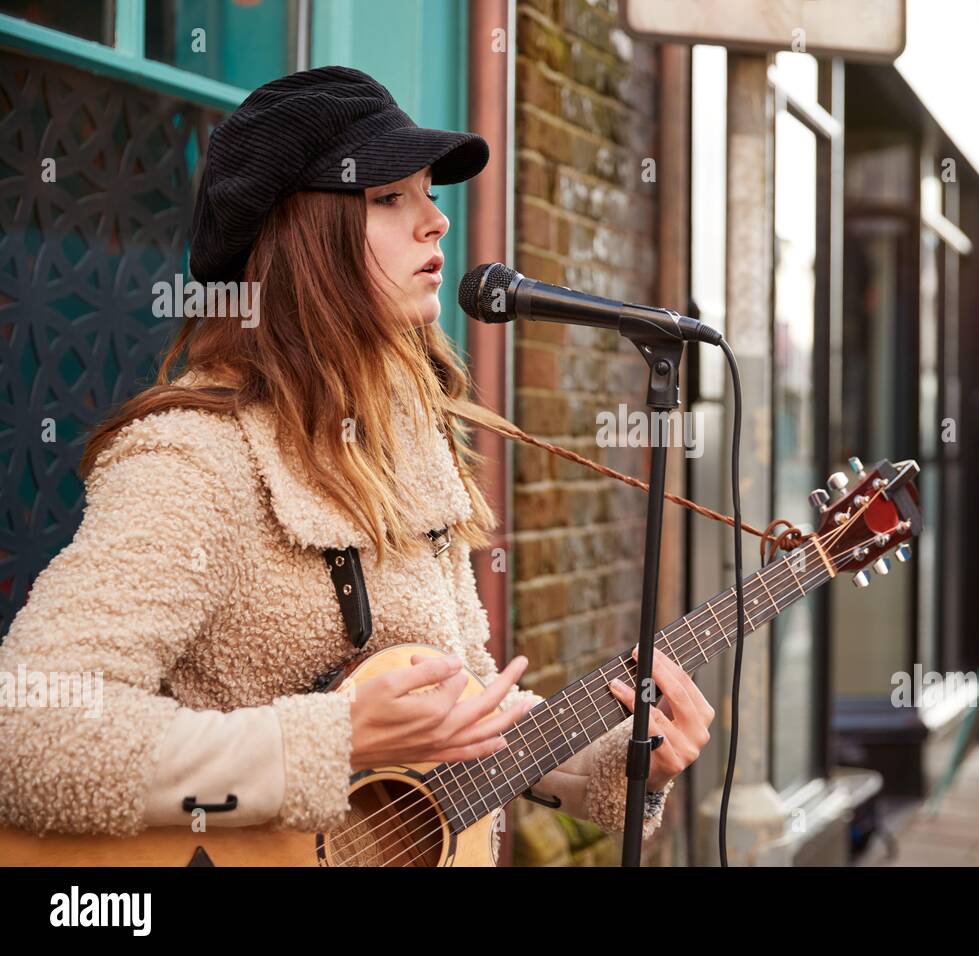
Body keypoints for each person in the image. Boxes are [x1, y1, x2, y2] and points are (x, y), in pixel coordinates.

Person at [0, 66, 713, 849]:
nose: (437, 222)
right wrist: (330, 738)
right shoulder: (196, 460)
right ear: (303, 237)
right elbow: (27, 729)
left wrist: (621, 761)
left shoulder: (413, 447)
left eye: (429, 193)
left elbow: (463, 705)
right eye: (389, 197)